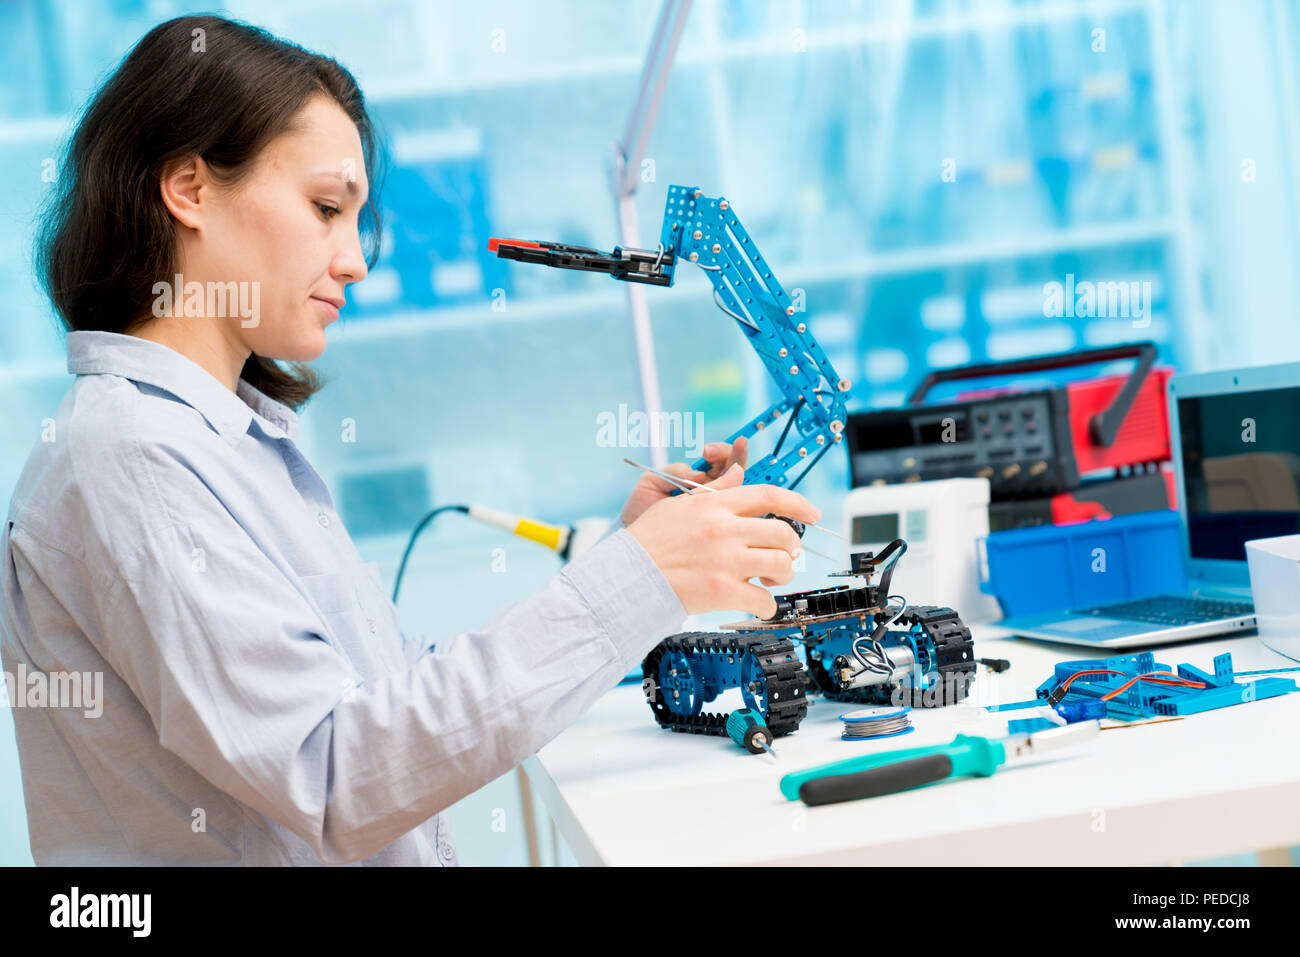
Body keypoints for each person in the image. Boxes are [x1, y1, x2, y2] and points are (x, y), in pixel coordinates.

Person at [0, 14, 817, 866]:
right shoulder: (131, 457)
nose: (355, 260)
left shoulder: (220, 440)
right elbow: (333, 773)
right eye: (324, 209)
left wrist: (632, 557)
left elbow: (381, 690)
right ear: (190, 188)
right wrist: (639, 580)